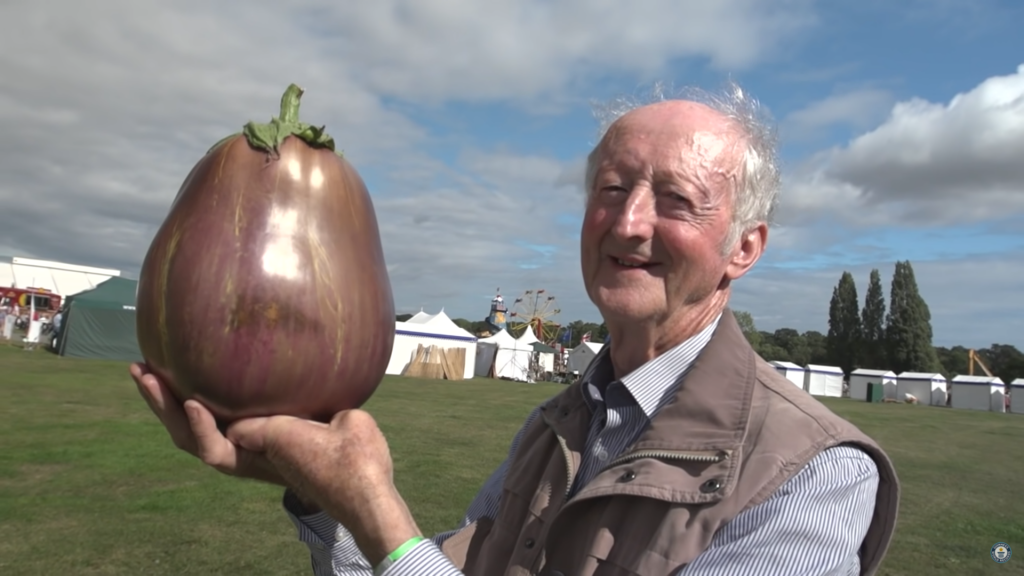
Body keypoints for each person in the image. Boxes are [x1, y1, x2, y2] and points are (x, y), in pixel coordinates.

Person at [132, 82, 900, 576]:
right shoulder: (555, 429)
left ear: (744, 247)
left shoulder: (814, 476)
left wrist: (380, 513)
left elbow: (404, 556)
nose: (629, 223)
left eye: (676, 199)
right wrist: (320, 497)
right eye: (611, 188)